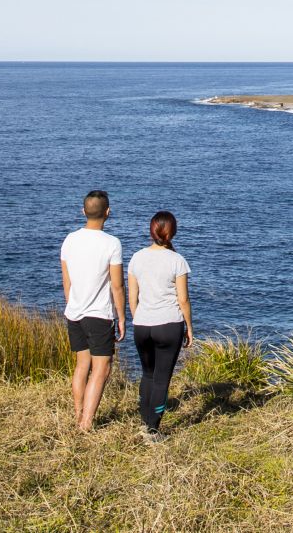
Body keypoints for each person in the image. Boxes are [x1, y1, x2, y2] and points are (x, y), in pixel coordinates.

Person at [60, 190, 125, 432]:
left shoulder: (70, 240)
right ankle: (86, 423)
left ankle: (79, 414)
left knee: (81, 365)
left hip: (74, 311)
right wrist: (122, 317)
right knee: (102, 368)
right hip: (99, 314)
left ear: (83, 211)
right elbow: (117, 285)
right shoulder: (112, 243)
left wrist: (72, 304)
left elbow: (66, 280)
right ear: (108, 212)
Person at [127, 210, 193, 443]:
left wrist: (138, 317)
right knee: (162, 378)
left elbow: (132, 296)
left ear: (152, 231)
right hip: (168, 325)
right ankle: (152, 430)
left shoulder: (136, 258)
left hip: (142, 324)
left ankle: (145, 422)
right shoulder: (177, 261)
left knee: (147, 374)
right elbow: (183, 299)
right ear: (172, 232)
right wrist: (189, 327)